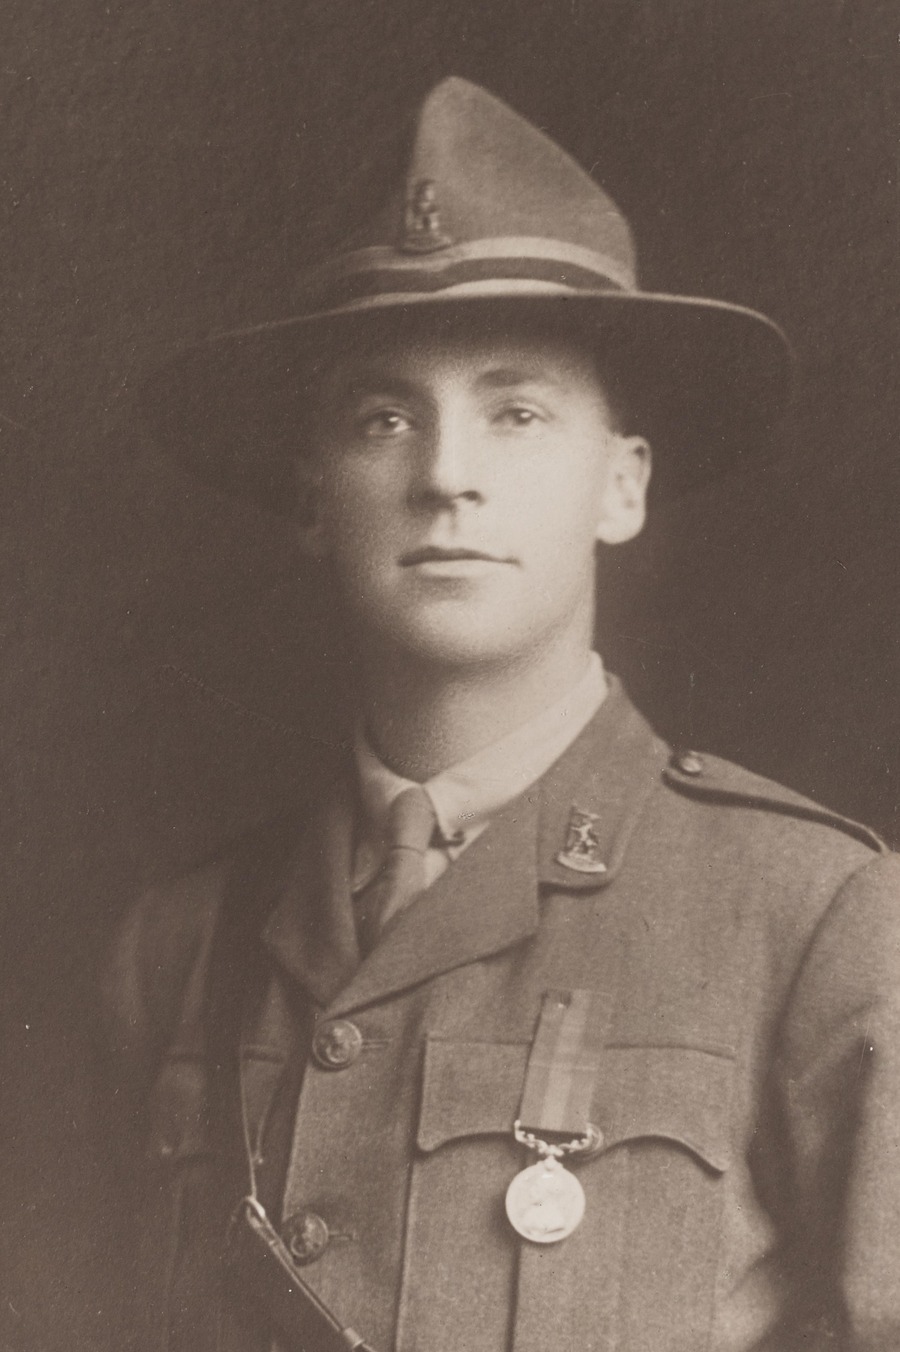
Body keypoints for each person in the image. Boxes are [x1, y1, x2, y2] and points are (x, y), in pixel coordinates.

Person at [102, 78, 900, 1352]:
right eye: (383, 417)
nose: (447, 473)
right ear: (314, 499)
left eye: (516, 411)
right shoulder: (185, 942)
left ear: (621, 484)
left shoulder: (814, 916)